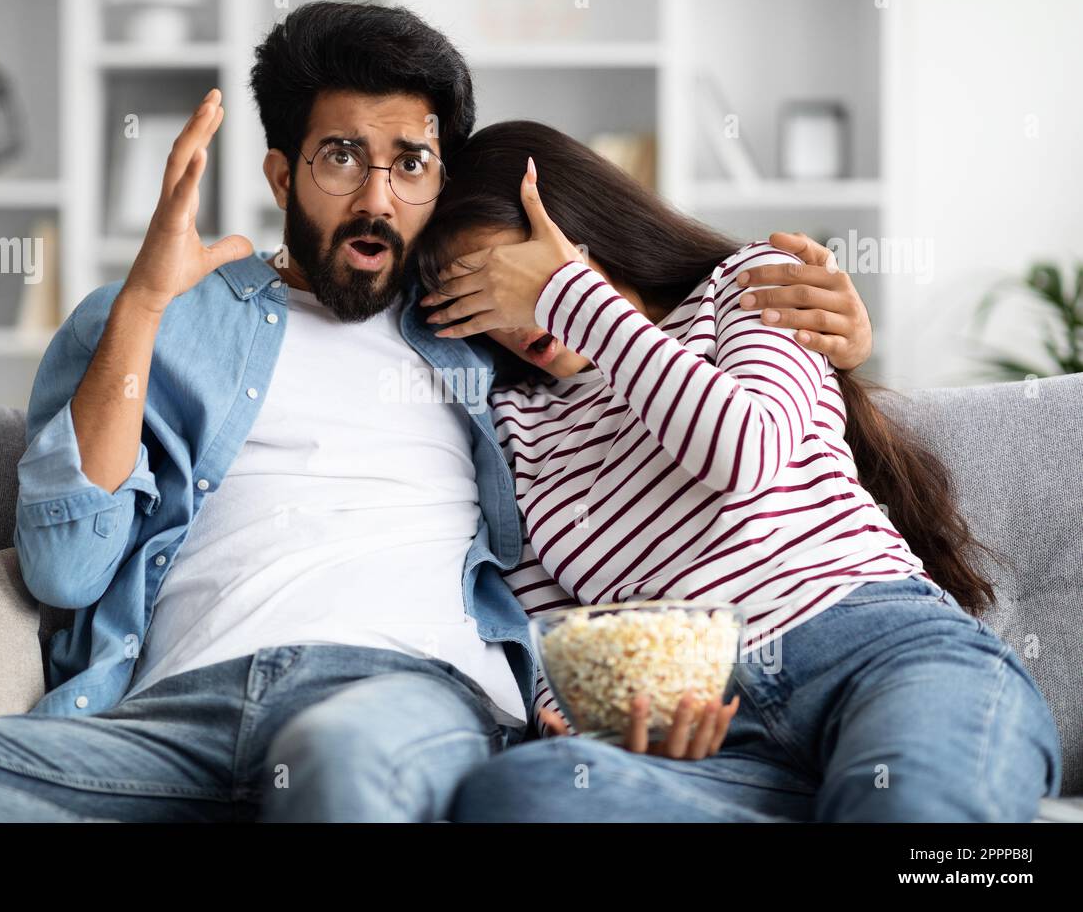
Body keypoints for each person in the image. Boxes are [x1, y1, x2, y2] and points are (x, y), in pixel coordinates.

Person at [0, 5, 872, 823]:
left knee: (346, 764)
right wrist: (144, 306)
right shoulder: (162, 317)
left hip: (394, 698)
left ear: (440, 183)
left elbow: (688, 388)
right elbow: (67, 571)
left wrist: (834, 334)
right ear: (281, 172)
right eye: (342, 156)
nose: (376, 197)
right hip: (170, 724)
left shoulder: (478, 336)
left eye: (411, 164)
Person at [409, 119, 1065, 821]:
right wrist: (588, 713)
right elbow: (546, 615)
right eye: (475, 300)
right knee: (520, 792)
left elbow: (744, 450)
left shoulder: (750, 282)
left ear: (579, 229)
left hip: (879, 652)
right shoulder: (515, 421)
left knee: (912, 807)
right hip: (715, 740)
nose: (513, 322)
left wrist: (567, 295)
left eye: (516, 276)